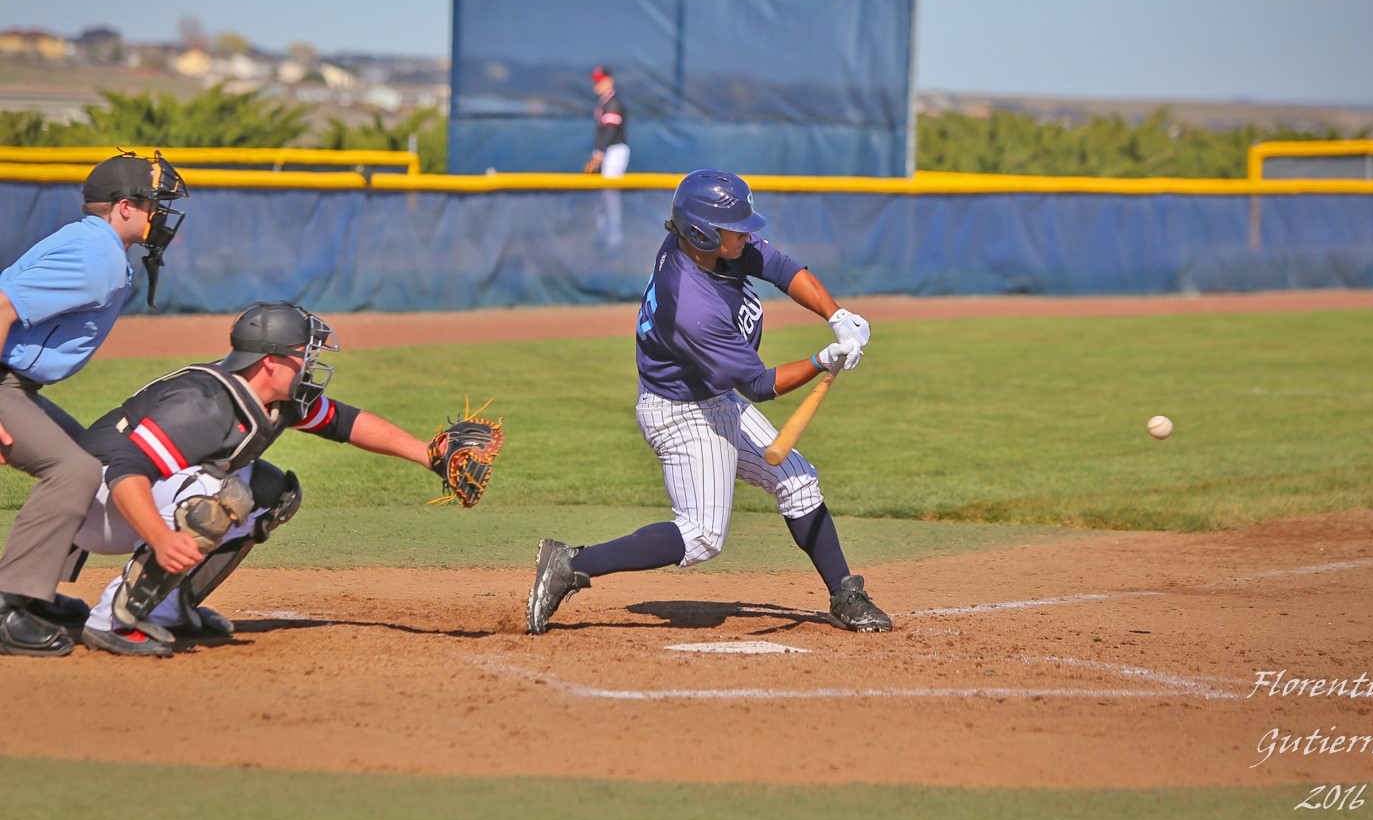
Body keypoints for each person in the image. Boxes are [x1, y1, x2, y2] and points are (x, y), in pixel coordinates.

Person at [527, 169, 890, 635]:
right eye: (735, 228)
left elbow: (782, 268)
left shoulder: (714, 246)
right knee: (701, 535)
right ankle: (571, 563)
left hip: (711, 395)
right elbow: (758, 384)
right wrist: (823, 360)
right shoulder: (691, 306)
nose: (746, 235)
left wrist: (836, 316)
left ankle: (846, 595)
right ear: (702, 232)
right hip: (680, 413)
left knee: (798, 481)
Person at [47, 301, 441, 658]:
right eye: (304, 354)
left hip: (129, 493)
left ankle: (165, 609)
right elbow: (124, 469)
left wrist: (426, 454)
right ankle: (111, 620)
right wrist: (160, 536)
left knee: (270, 493)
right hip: (92, 502)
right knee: (216, 497)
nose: (310, 364)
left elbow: (344, 421)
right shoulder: (204, 404)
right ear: (270, 361)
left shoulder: (276, 397)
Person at [0, 151, 188, 657]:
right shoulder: (95, 256)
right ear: (124, 206)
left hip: (15, 384)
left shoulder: (95, 246)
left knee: (92, 460)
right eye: (154, 204)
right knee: (74, 470)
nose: (160, 216)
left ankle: (34, 594)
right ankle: (9, 605)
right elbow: (0, 306)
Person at [584, 65, 628, 249]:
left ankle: (614, 237)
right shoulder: (605, 101)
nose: (596, 83)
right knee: (602, 196)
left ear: (609, 80)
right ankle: (605, 234)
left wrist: (598, 156)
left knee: (610, 195)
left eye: (600, 80)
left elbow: (610, 132)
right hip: (606, 151)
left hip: (614, 151)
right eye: (595, 80)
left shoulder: (612, 102)